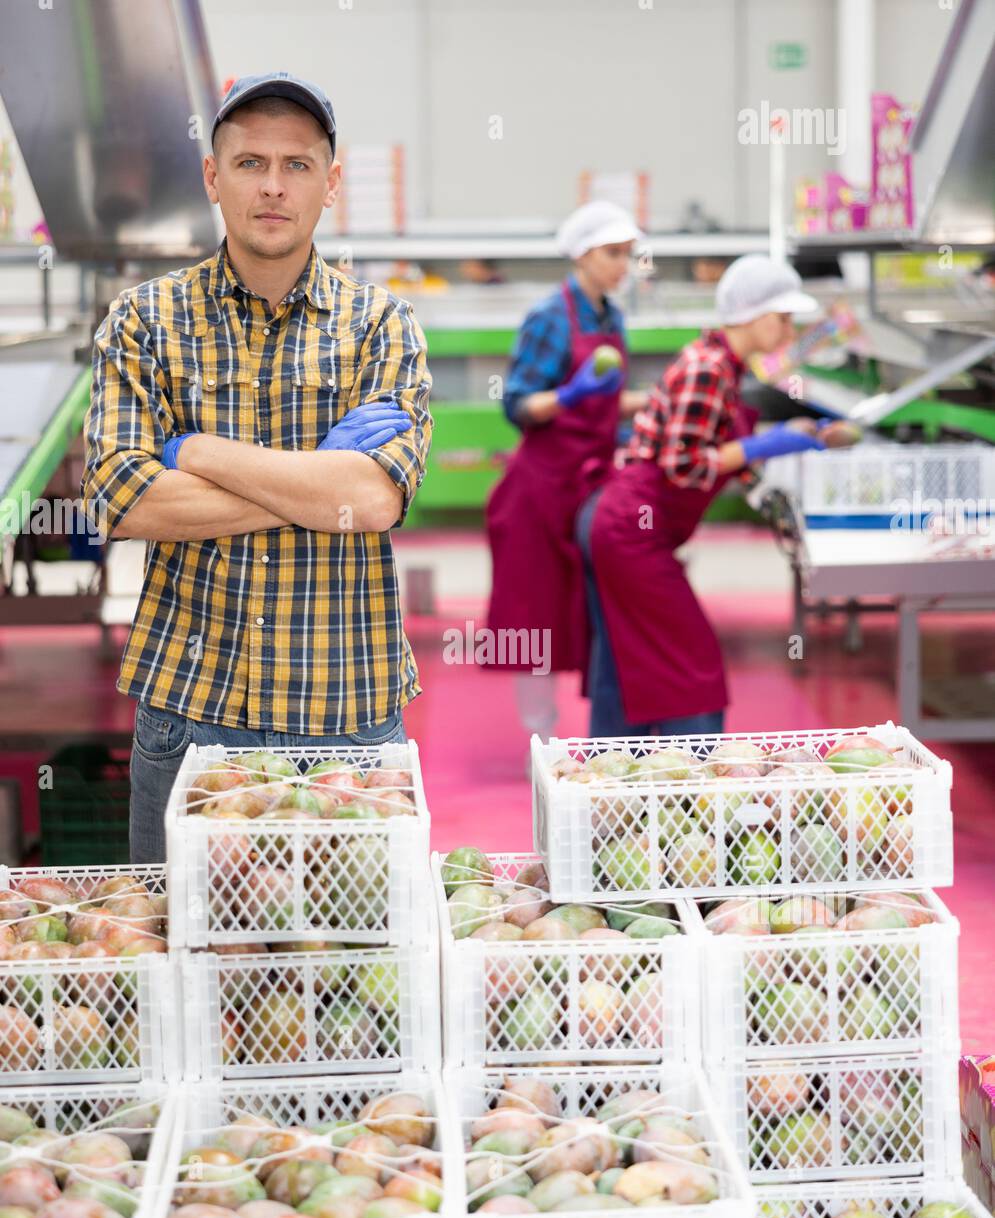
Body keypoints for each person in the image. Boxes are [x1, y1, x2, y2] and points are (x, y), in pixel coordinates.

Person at [82, 73, 432, 861]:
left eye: (297, 165)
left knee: (355, 976)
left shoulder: (382, 325)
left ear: (331, 183)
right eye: (249, 163)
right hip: (191, 714)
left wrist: (197, 453)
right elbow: (121, 501)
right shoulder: (144, 321)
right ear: (213, 175)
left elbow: (374, 499)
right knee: (182, 962)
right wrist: (320, 478)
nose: (273, 187)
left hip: (348, 717)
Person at [576, 254, 823, 737]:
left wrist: (758, 462)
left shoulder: (722, 365)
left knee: (622, 665)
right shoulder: (709, 368)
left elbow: (702, 445)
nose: (789, 331)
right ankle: (696, 786)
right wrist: (763, 444)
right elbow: (684, 465)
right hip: (630, 527)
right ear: (751, 315)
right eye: (783, 318)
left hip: (618, 522)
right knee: (692, 661)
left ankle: (609, 787)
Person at [484, 201, 647, 746]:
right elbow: (518, 406)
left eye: (627, 254)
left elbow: (607, 407)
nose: (622, 264)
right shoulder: (551, 317)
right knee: (537, 616)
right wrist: (571, 395)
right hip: (539, 490)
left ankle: (602, 731)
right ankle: (541, 738)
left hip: (589, 485)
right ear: (582, 254)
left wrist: (646, 404)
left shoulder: (611, 316)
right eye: (612, 253)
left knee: (587, 609)